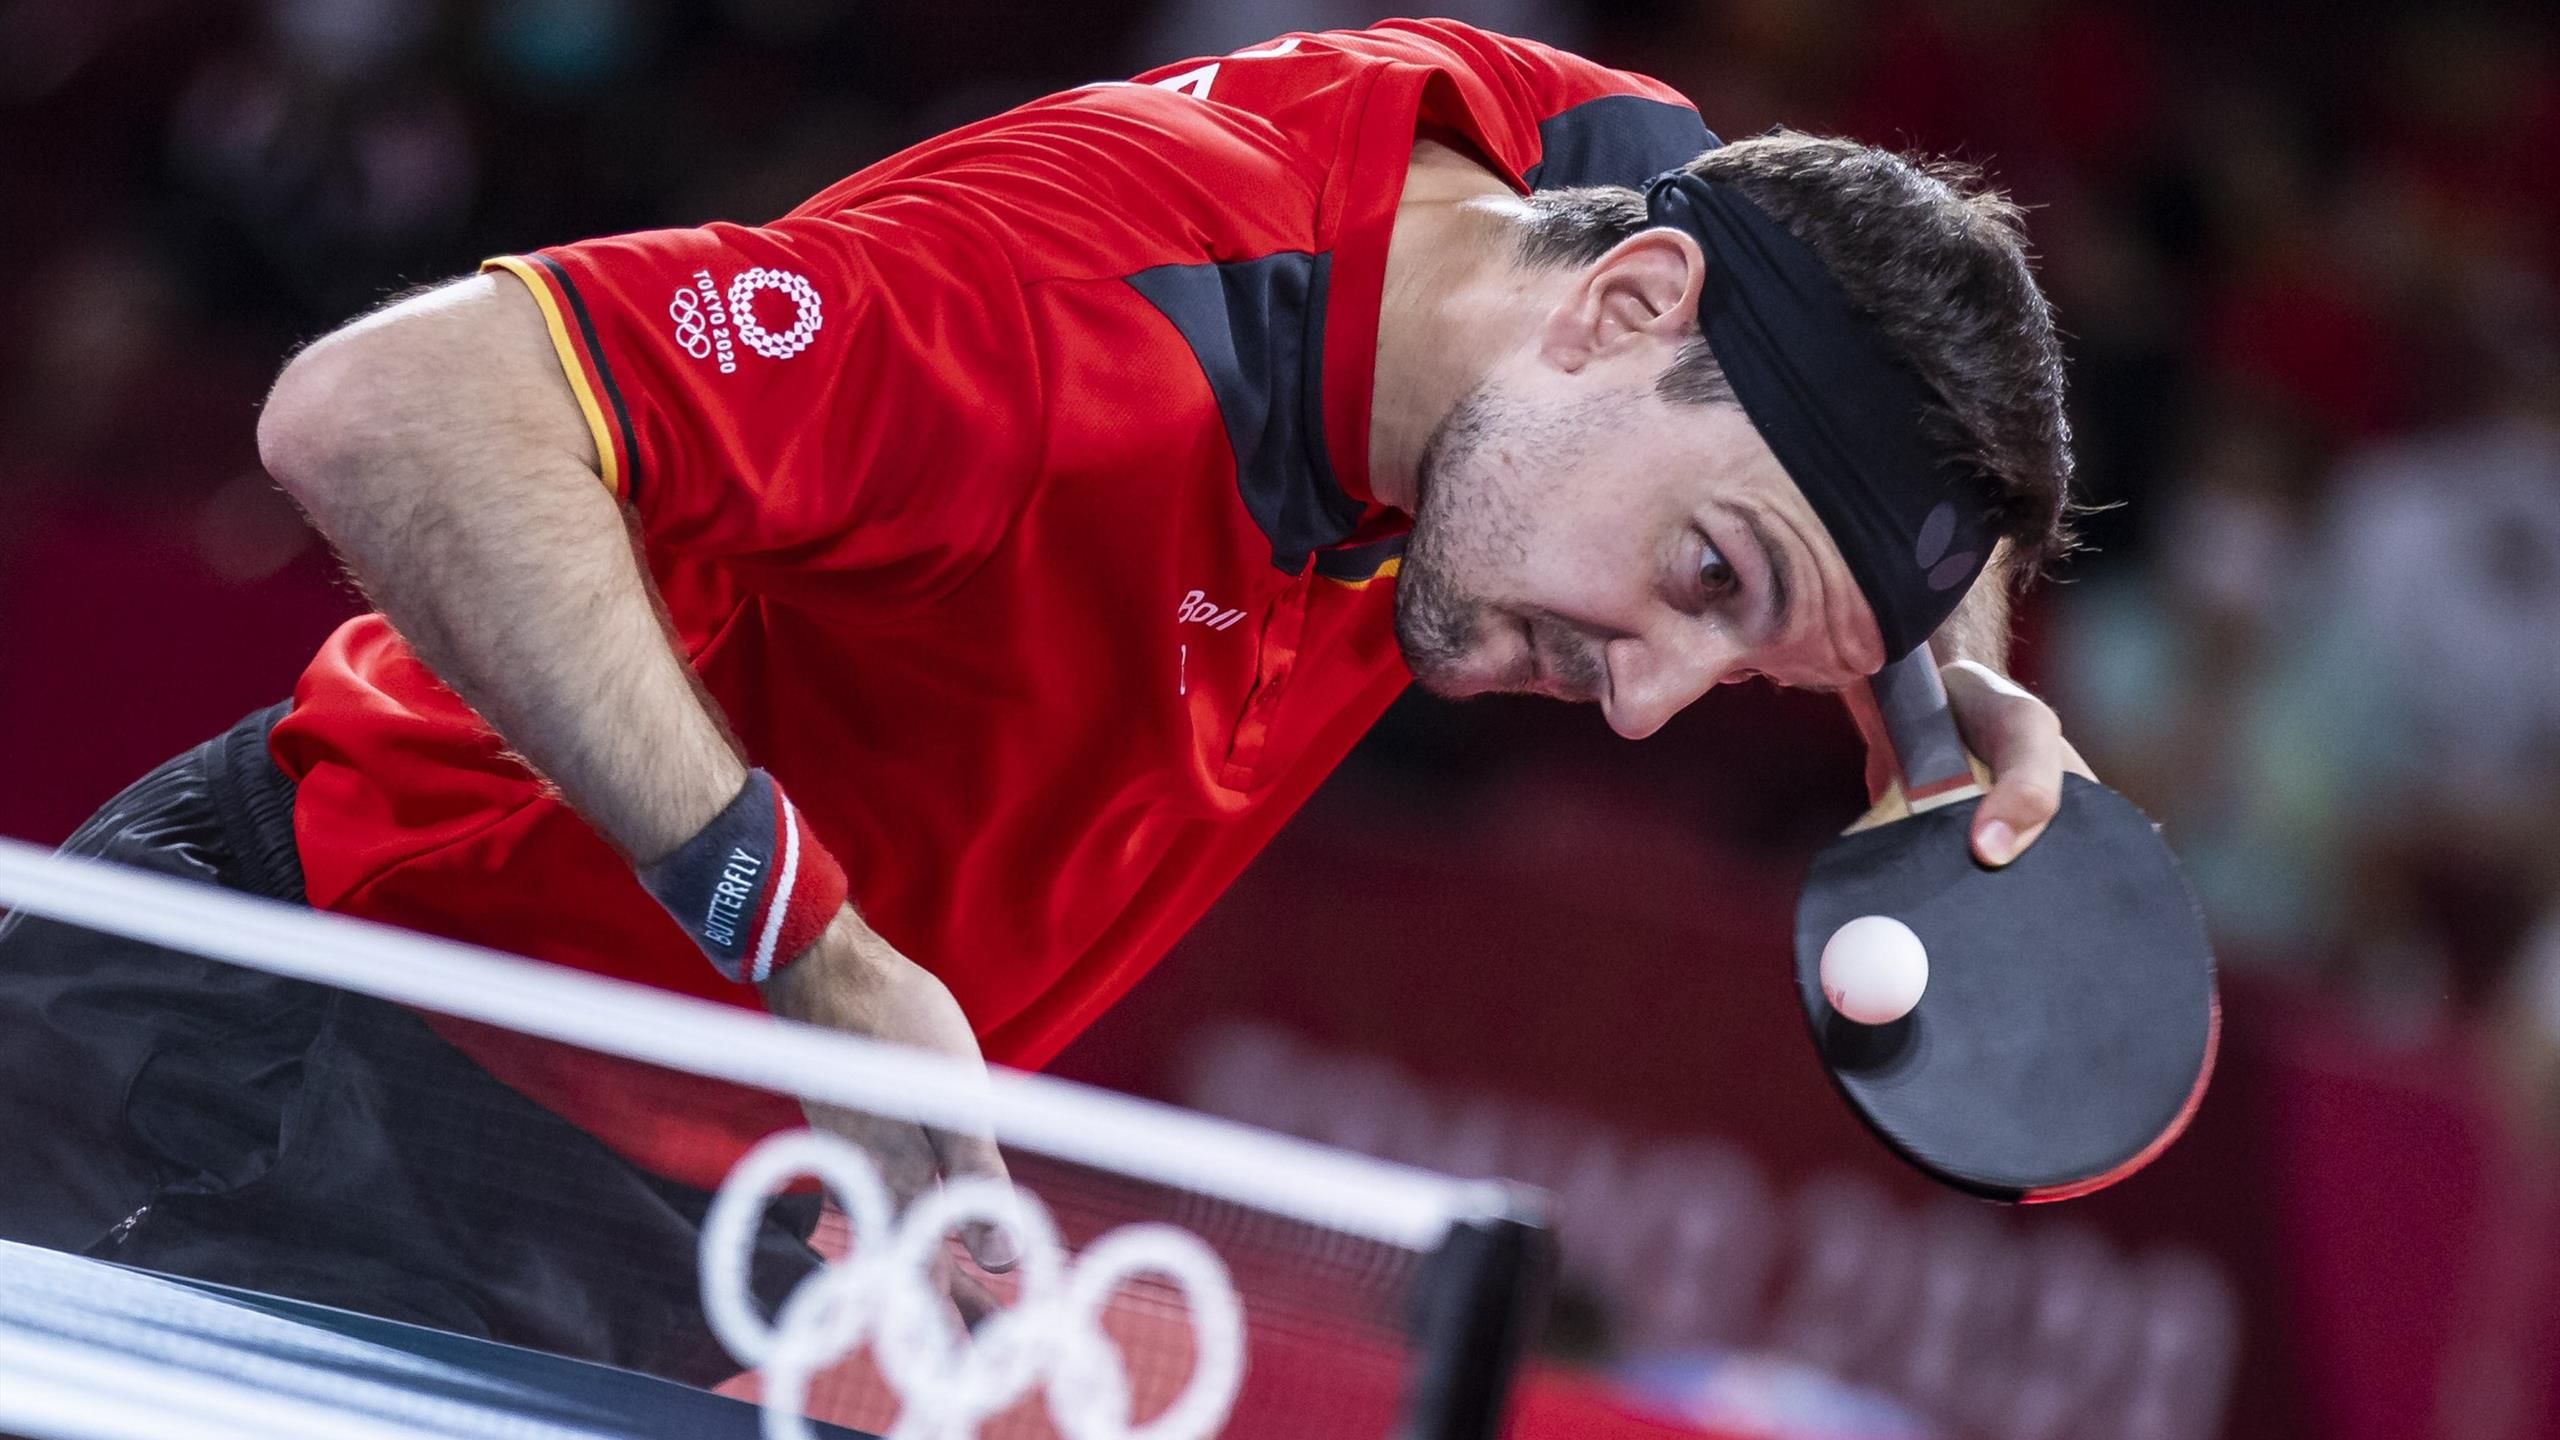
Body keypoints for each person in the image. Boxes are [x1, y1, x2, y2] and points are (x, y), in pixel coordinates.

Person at [0, 19, 2085, 1381]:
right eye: (1703, 583)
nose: (1644, 701)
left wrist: (1929, 688)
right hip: (300, 1055)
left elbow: (1860, 349)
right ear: (1622, 308)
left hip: (691, 1217)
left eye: (1739, 655)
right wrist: (803, 947)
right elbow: (381, 410)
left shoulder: (1607, 184)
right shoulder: (1070, 330)